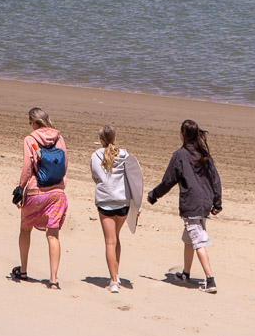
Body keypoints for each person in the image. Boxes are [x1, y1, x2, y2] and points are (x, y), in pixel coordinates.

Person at [147, 119, 222, 293]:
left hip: (192, 204)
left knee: (198, 240)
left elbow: (168, 180)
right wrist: (217, 202)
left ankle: (210, 280)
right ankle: (186, 274)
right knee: (189, 238)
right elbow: (216, 180)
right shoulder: (204, 154)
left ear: (182, 135)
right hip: (204, 202)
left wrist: (154, 195)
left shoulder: (180, 155)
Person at [11, 107, 68, 289]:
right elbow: (65, 164)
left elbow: (28, 166)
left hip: (36, 191)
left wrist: (20, 187)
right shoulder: (59, 138)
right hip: (57, 193)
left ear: (34, 123)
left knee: (25, 229)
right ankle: (53, 280)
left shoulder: (31, 139)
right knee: (53, 235)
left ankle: (24, 270)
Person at [89, 124, 144, 293]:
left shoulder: (96, 155)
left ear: (101, 140)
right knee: (116, 238)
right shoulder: (124, 154)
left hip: (106, 201)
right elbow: (134, 177)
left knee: (109, 241)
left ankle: (113, 282)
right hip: (123, 202)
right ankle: (117, 274)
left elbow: (95, 176)